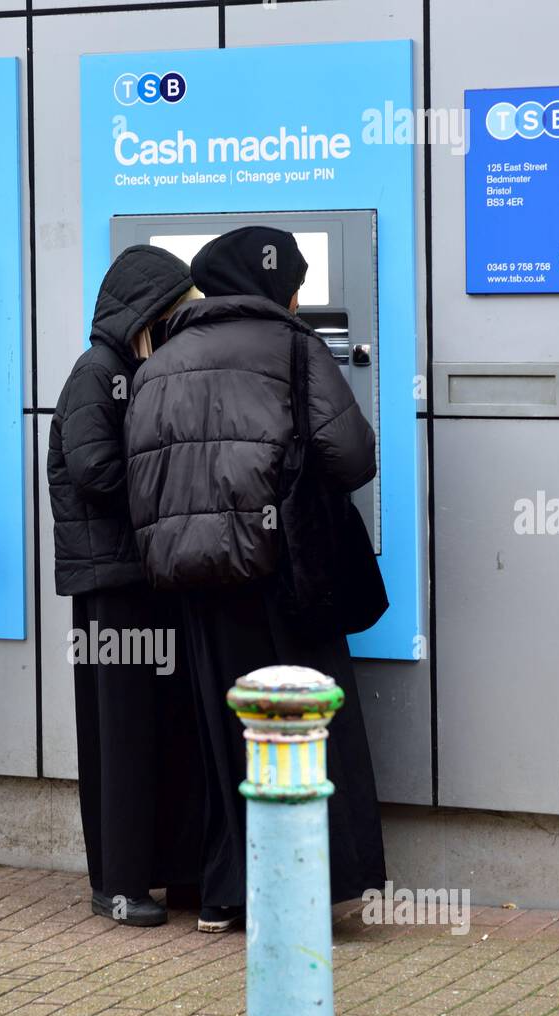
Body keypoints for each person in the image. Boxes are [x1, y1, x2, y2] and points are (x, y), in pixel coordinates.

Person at [125, 226, 387, 932]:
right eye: (296, 284)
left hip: (195, 581)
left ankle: (223, 895)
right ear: (276, 288)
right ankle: (309, 891)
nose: (300, 297)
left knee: (222, 733)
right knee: (305, 727)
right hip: (281, 574)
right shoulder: (296, 348)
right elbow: (353, 455)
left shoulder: (160, 363)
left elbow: (142, 478)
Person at [48, 245, 202, 927]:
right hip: (111, 585)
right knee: (120, 735)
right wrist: (172, 485)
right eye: (171, 314)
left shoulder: (130, 371)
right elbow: (96, 471)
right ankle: (118, 881)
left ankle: (166, 869)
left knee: (161, 730)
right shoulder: (96, 373)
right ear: (147, 313)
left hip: (143, 576)